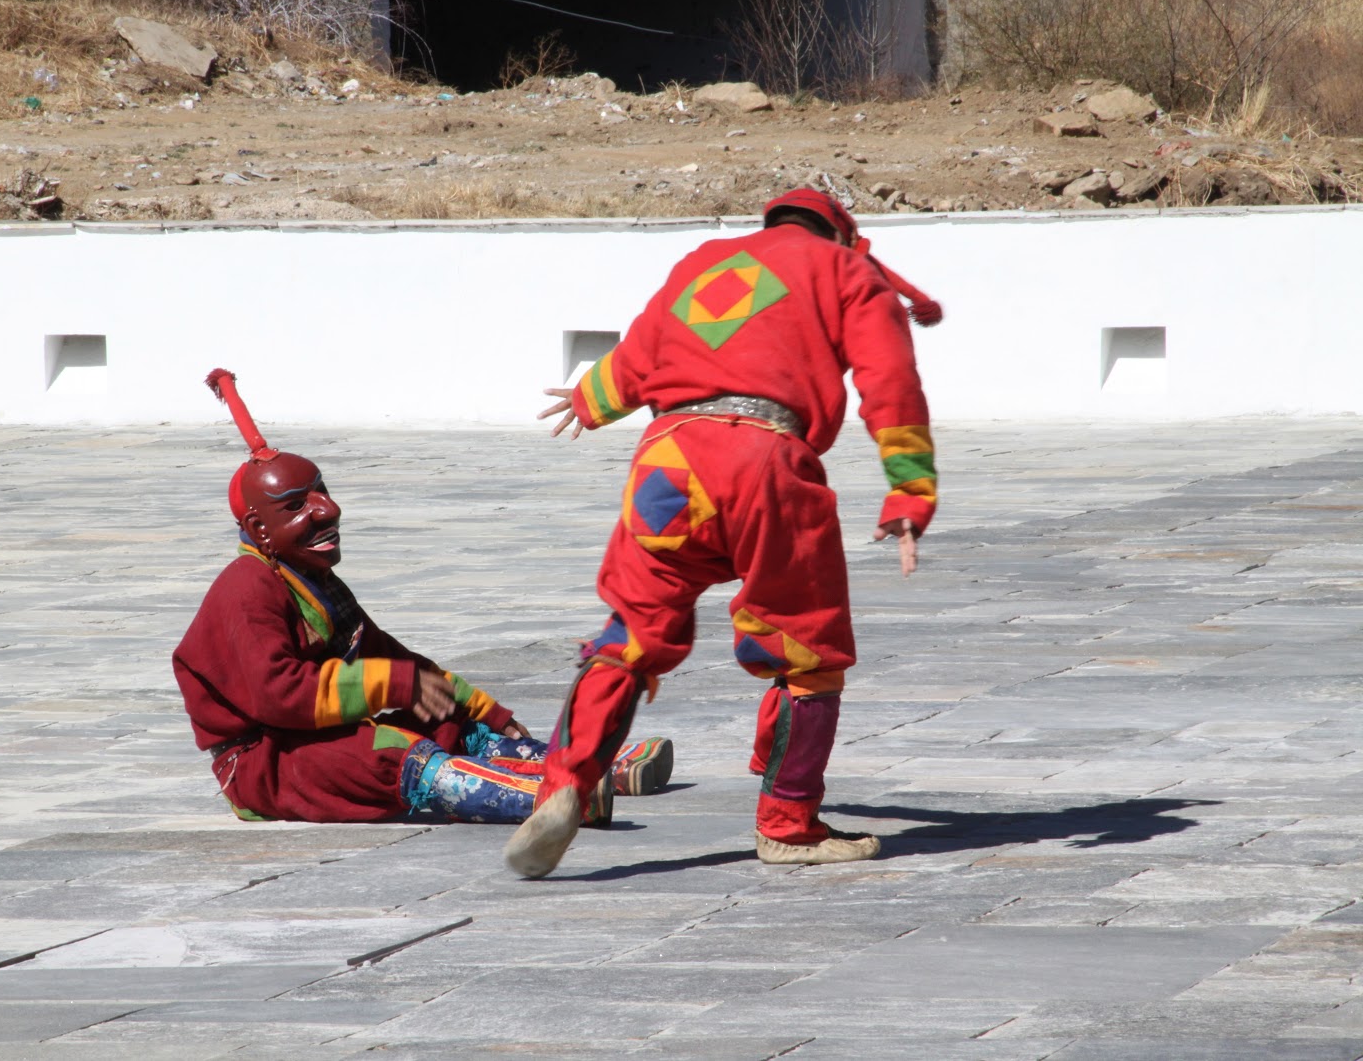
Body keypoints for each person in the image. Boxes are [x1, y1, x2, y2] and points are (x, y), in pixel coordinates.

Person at [505, 187, 941, 878]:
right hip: (766, 459)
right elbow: (890, 380)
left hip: (668, 458)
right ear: (841, 233)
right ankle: (788, 823)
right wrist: (909, 491)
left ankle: (563, 785)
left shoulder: (705, 261)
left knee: (632, 632)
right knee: (806, 648)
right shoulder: (848, 271)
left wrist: (590, 401)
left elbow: (642, 350)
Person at [173, 369, 675, 827]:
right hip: (268, 763)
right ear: (260, 530)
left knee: (442, 715)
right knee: (388, 752)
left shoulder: (313, 581)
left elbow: (389, 658)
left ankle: (578, 764)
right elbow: (280, 694)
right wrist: (395, 684)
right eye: (299, 505)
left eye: (323, 492)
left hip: (307, 737)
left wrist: (480, 709)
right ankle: (551, 798)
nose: (329, 510)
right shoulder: (247, 587)